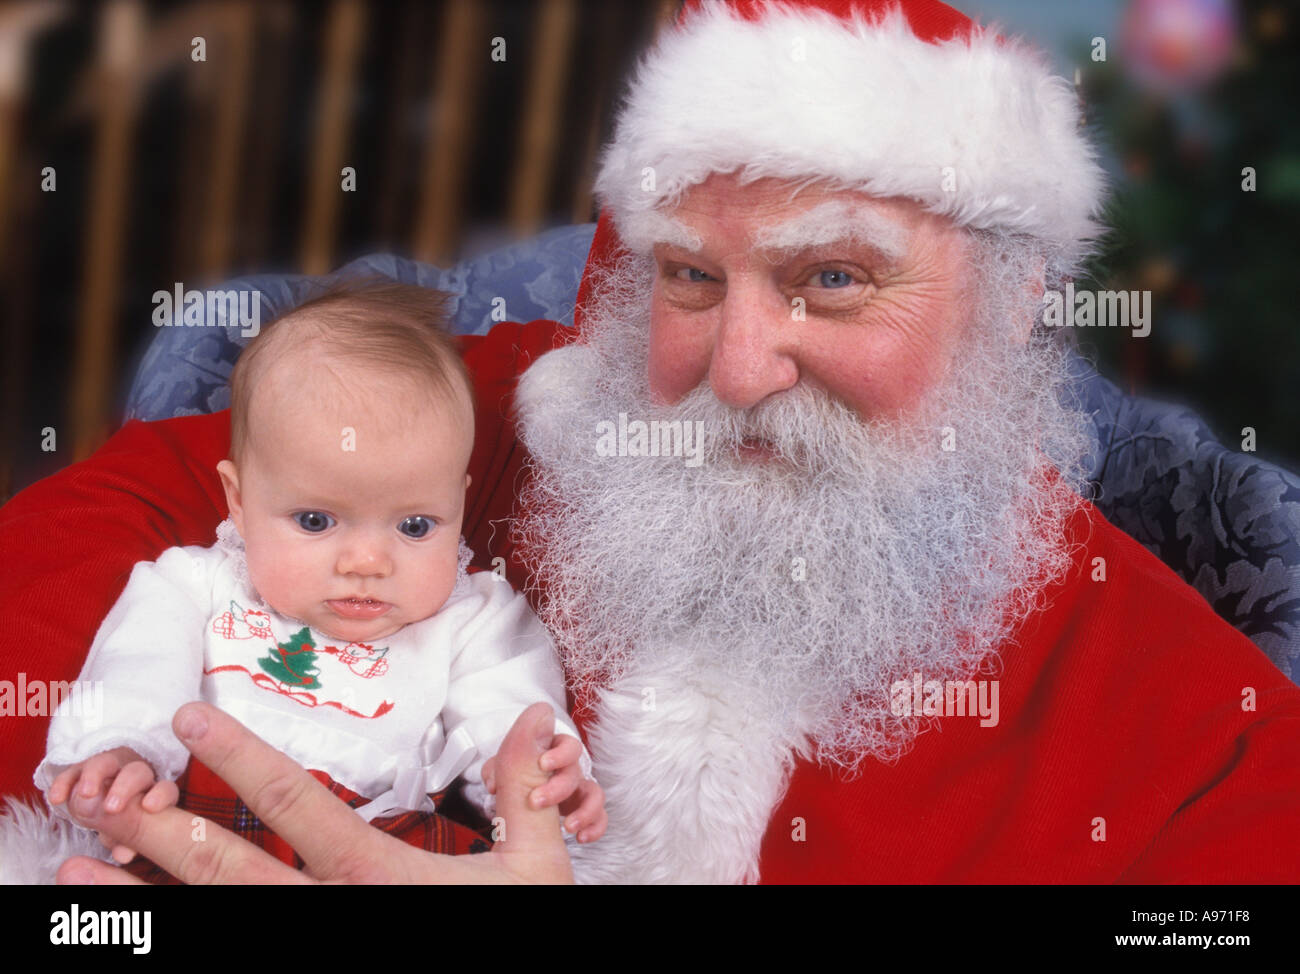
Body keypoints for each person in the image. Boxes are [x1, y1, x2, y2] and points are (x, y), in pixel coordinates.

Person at [3, 0, 1299, 884]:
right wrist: (127, 776)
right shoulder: (516, 422)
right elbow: (111, 515)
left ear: (1015, 306)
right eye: (689, 275)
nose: (736, 371)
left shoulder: (1207, 748)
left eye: (835, 278)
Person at [32, 281, 604, 879]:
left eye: (414, 525)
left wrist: (540, 779)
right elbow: (138, 662)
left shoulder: (471, 615)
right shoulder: (196, 582)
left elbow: (510, 709)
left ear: (458, 507)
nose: (367, 562)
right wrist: (123, 747)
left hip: (385, 840)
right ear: (240, 502)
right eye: (315, 520)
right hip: (200, 813)